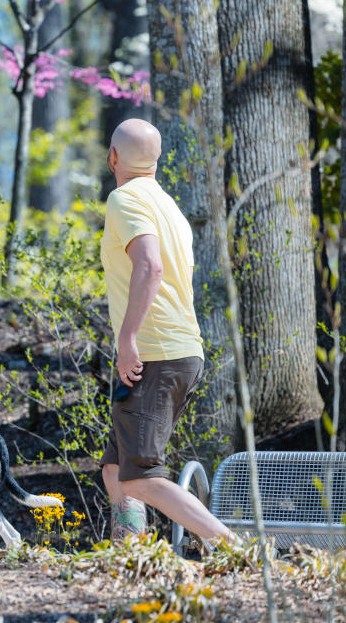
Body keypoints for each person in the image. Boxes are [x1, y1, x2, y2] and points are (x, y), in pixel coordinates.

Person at [99, 118, 234, 546]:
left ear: (113, 157)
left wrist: (127, 340)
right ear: (157, 161)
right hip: (177, 352)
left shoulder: (124, 199)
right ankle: (129, 555)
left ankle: (236, 548)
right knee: (116, 465)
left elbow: (150, 266)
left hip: (152, 355)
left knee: (140, 476)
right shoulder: (169, 206)